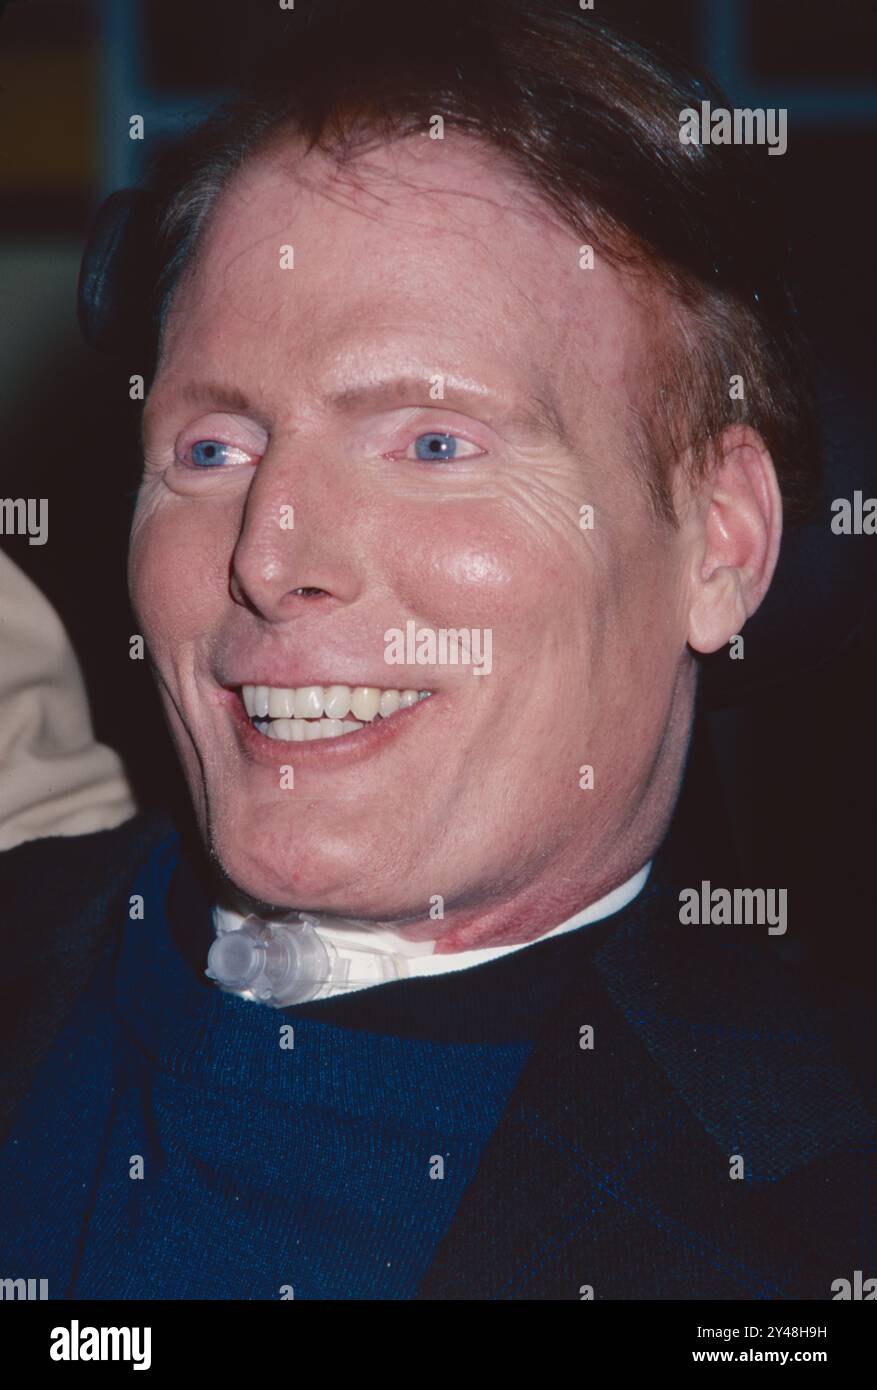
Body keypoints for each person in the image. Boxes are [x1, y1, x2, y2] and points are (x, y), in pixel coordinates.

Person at [0, 0, 872, 1300]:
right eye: (213, 449)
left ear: (718, 545)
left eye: (431, 444)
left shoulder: (809, 1219)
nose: (266, 552)